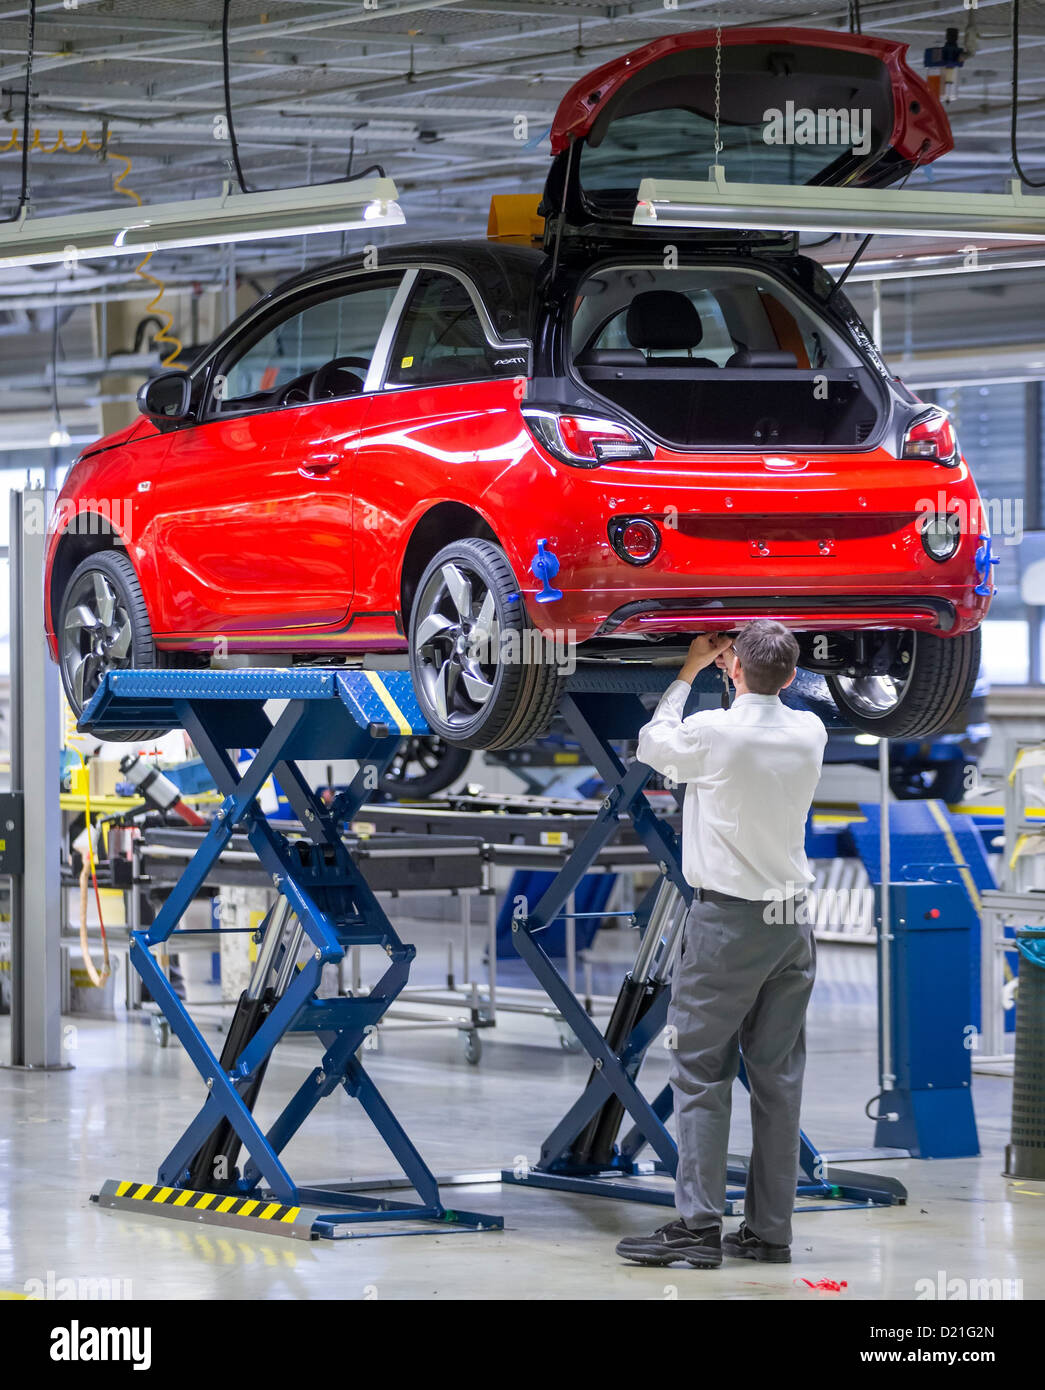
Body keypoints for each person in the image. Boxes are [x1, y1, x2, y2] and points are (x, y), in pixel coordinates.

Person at [615, 620, 827, 1269]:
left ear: (732, 670)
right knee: (777, 1079)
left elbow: (652, 744)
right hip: (791, 927)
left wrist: (685, 671)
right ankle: (768, 1233)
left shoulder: (711, 732)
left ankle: (696, 1228)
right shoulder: (810, 732)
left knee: (701, 1073)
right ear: (789, 676)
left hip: (726, 926)